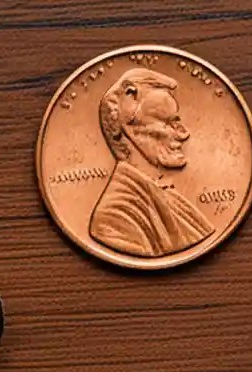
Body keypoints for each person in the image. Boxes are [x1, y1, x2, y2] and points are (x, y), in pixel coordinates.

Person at [89, 69, 214, 258]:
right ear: (127, 127)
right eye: (167, 122)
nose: (183, 134)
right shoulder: (113, 218)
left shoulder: (170, 197)